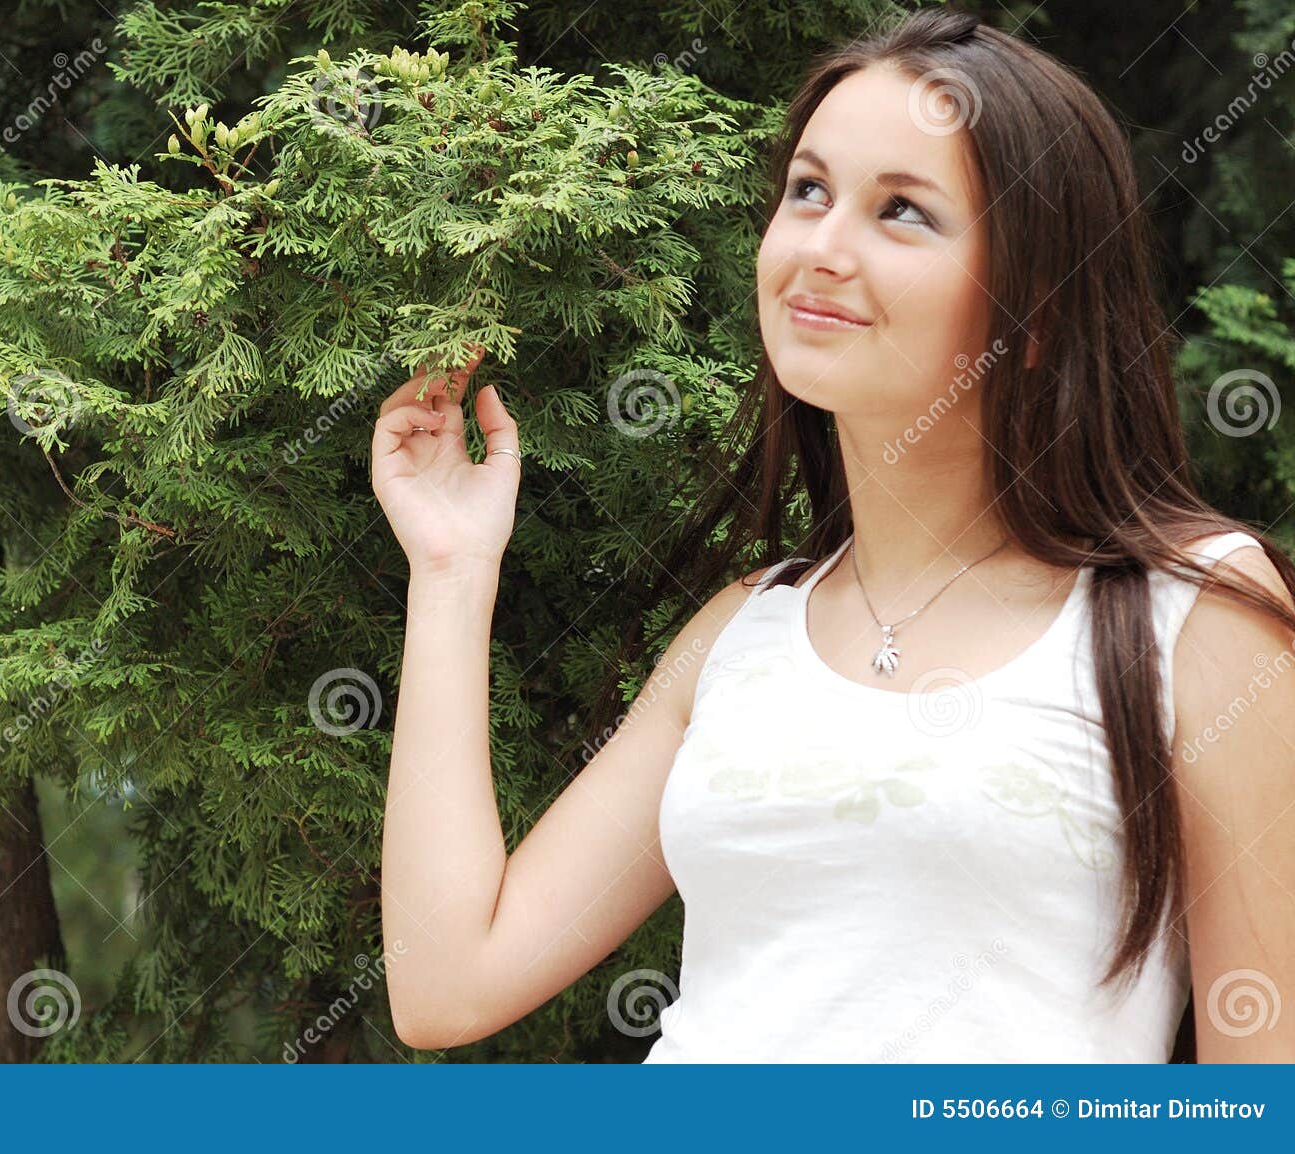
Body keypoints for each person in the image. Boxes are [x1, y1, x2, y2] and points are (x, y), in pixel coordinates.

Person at [368, 8, 1295, 1062]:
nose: (820, 246)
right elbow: (446, 982)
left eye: (901, 211)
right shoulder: (742, 630)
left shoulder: (1194, 615)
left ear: (1035, 315)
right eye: (808, 191)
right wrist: (448, 569)